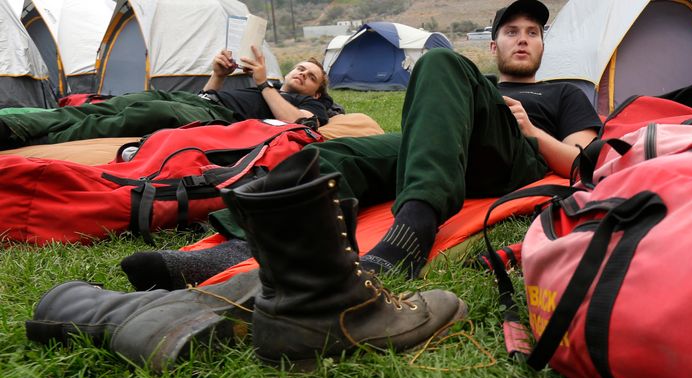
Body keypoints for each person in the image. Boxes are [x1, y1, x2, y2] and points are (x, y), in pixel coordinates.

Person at [120, 0, 601, 291]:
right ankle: (242, 244)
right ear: (493, 46)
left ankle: (412, 230)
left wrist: (531, 131)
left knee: (440, 63)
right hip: (445, 140)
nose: (522, 41)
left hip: (508, 156)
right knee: (337, 154)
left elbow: (582, 163)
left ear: (543, 46)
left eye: (532, 34)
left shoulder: (561, 94)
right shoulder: (477, 84)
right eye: (511, 32)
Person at [0, 48, 336, 149]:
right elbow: (209, 94)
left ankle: (34, 138)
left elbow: (301, 125)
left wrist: (264, 85)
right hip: (197, 101)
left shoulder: (312, 106)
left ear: (317, 91)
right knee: (109, 105)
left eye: (310, 77)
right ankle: (13, 125)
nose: (301, 75)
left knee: (131, 117)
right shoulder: (274, 86)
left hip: (212, 117)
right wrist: (218, 75)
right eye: (301, 69)